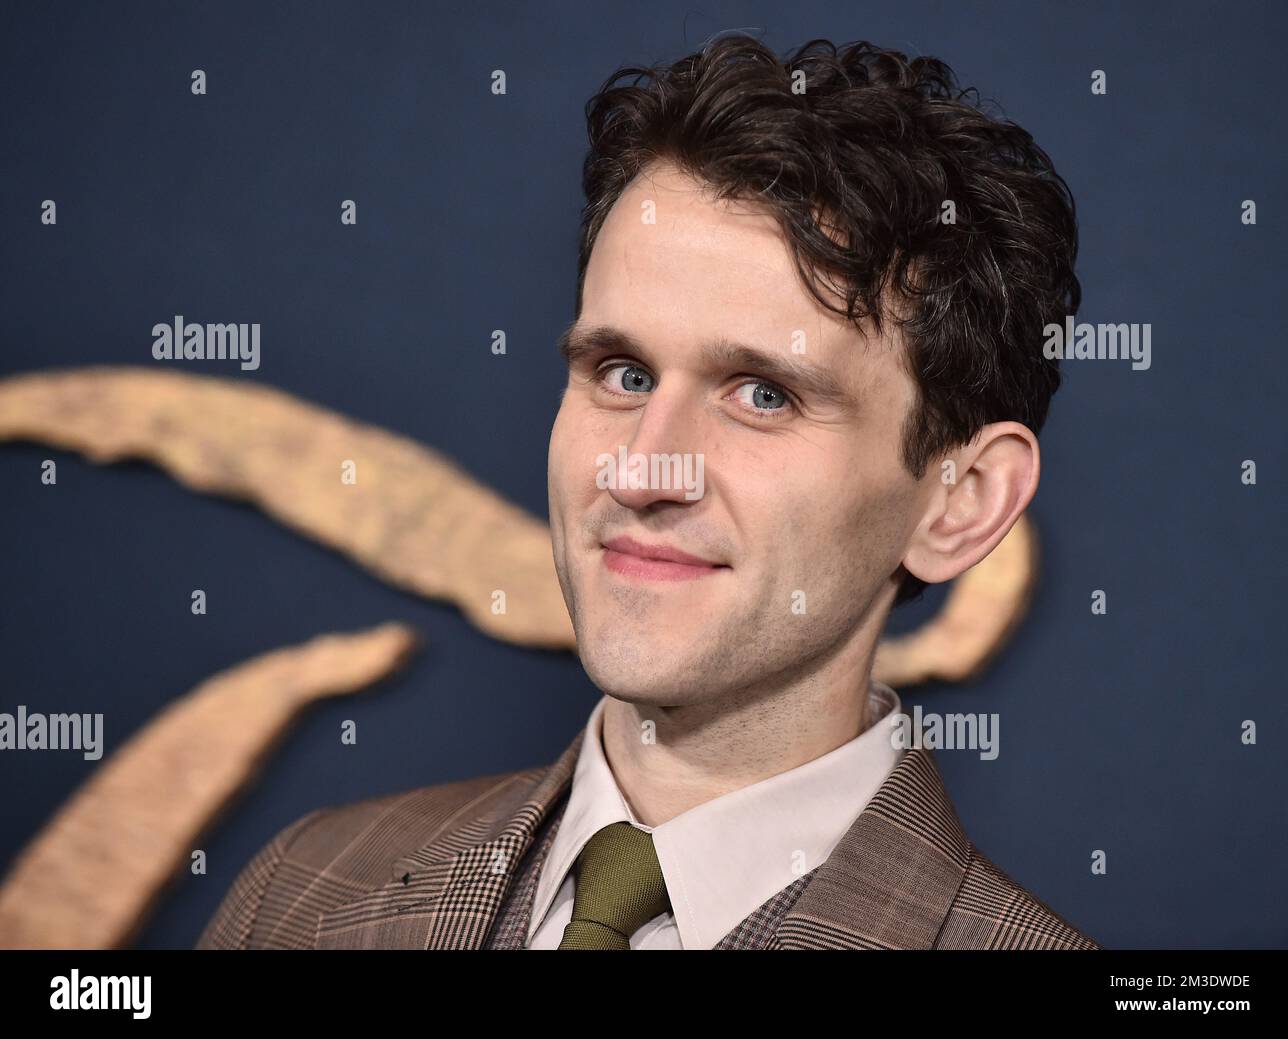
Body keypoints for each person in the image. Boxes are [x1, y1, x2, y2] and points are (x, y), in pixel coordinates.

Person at [197, 33, 1098, 950]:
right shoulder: (300, 898)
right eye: (623, 373)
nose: (640, 470)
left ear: (962, 501)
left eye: (763, 395)